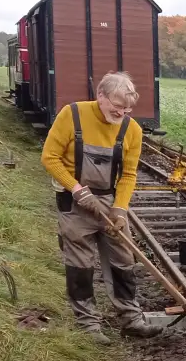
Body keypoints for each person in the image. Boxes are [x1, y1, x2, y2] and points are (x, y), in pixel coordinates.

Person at [41, 71, 162, 344]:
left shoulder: (132, 130)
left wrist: (120, 209)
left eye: (126, 109)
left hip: (109, 201)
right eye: (116, 107)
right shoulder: (72, 115)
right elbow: (50, 157)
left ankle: (131, 320)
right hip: (74, 201)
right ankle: (88, 326)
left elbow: (129, 175)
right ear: (101, 96)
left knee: (124, 261)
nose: (121, 113)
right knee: (80, 264)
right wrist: (77, 189)